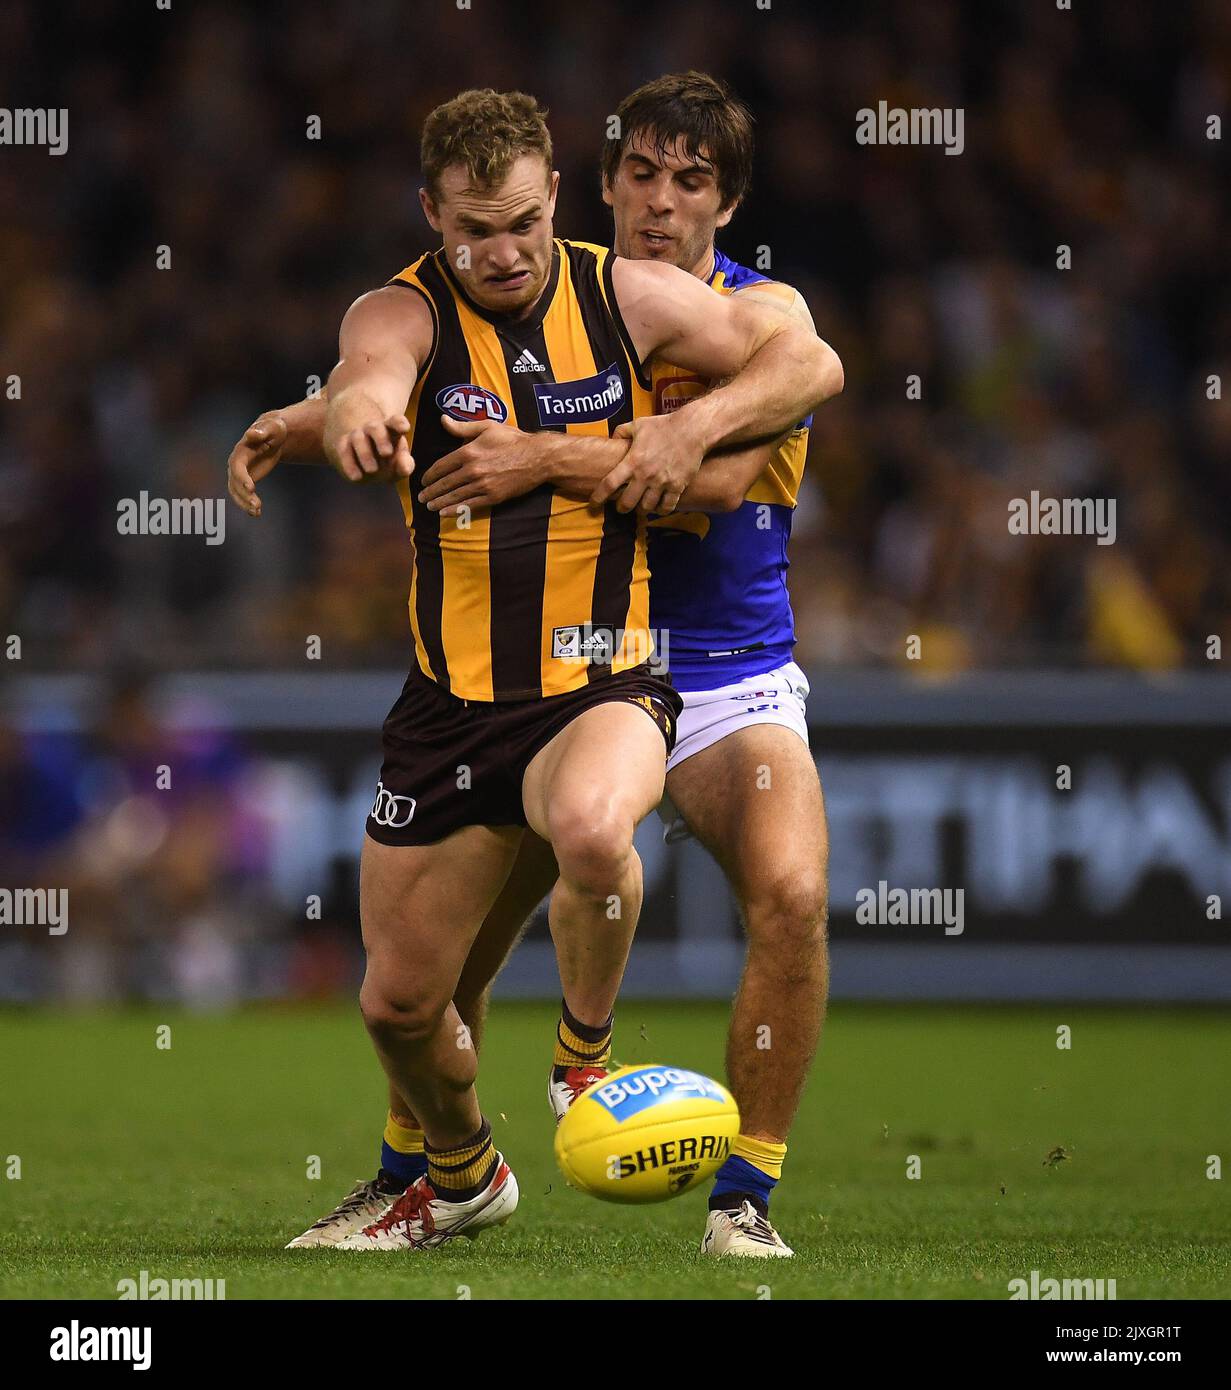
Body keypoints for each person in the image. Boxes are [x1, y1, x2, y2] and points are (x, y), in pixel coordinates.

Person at [229, 84, 840, 1252]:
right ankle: (427, 1176)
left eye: (693, 181)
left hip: (708, 669)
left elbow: (708, 485)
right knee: (425, 992)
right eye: (645, 177)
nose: (663, 202)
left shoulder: (749, 318)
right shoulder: (542, 290)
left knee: (790, 893)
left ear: (729, 200)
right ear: (600, 187)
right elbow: (394, 374)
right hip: (530, 675)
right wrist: (327, 418)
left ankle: (740, 1195)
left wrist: (576, 451)